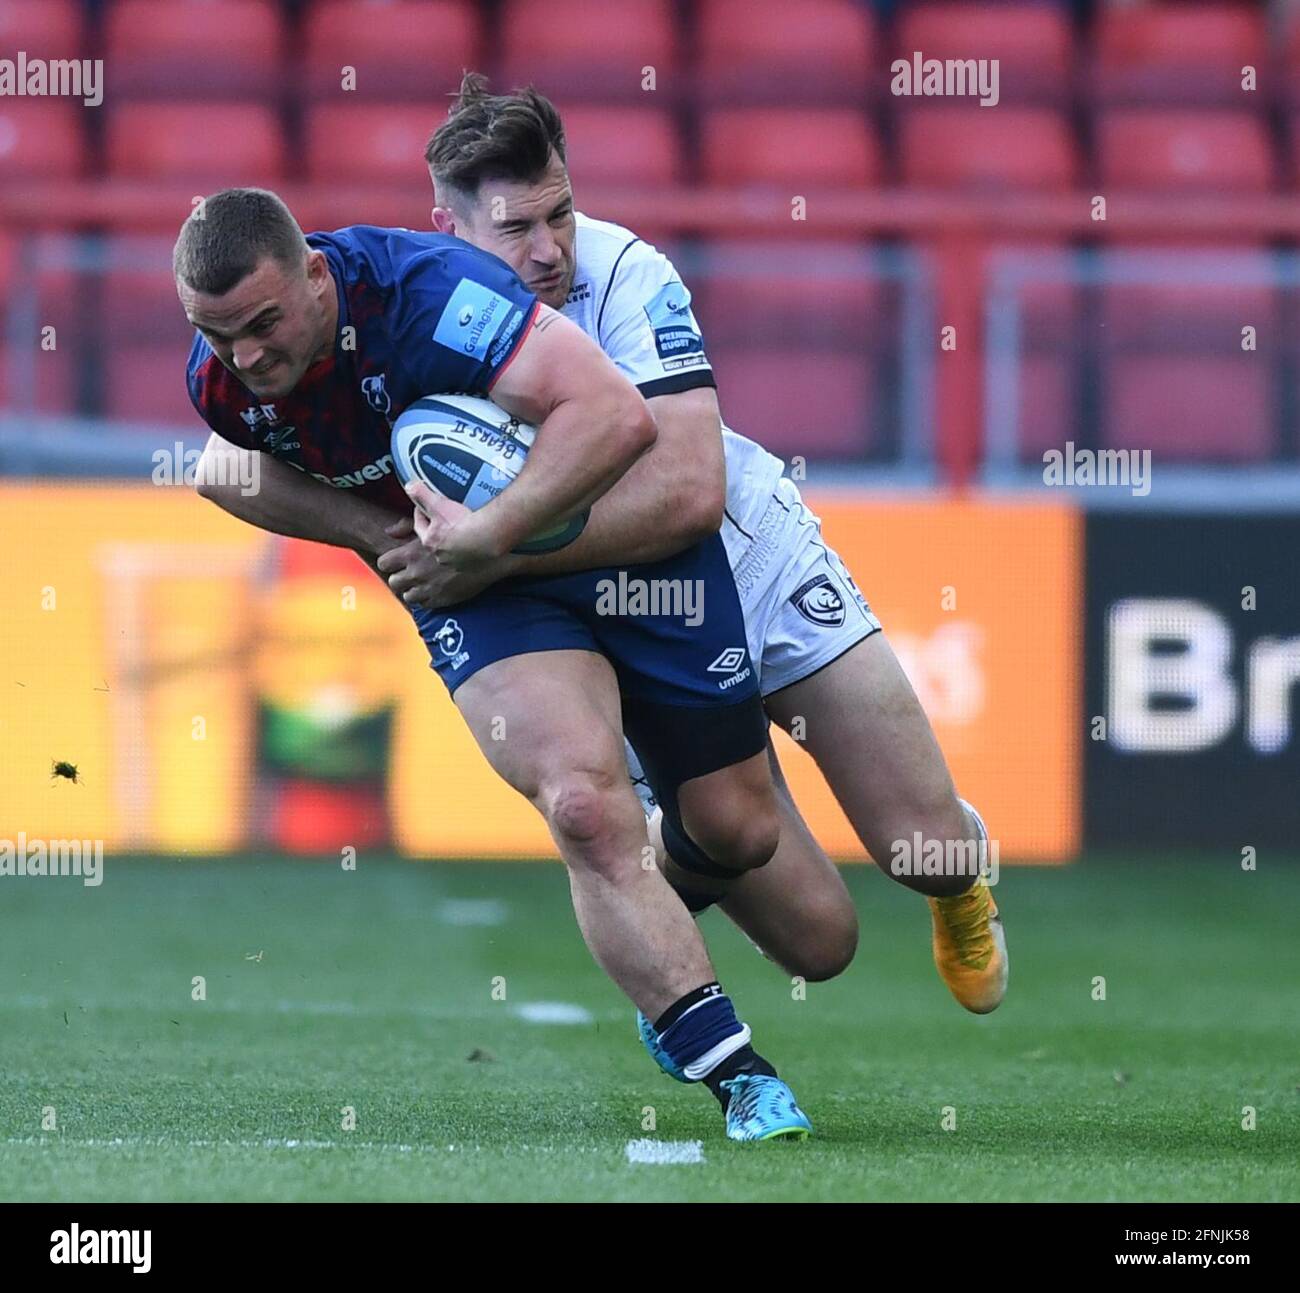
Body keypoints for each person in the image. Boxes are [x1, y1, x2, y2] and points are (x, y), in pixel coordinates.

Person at [389, 77, 1009, 1079]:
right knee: (822, 944)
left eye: (560, 213)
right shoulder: (415, 325)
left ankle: (961, 887)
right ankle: (669, 946)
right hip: (612, 613)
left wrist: (498, 546)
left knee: (921, 847)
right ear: (446, 224)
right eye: (515, 229)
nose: (549, 249)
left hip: (744, 560)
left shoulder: (627, 272)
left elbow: (687, 490)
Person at [178, 187, 812, 1140]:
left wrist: (494, 536)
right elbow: (222, 470)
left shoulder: (431, 296)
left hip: (619, 539)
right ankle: (738, 1071)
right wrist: (385, 534)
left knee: (741, 831)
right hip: (484, 584)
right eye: (220, 336)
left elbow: (614, 418)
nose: (247, 358)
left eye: (263, 325)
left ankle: (655, 923)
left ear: (315, 275)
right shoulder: (224, 378)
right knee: (584, 804)